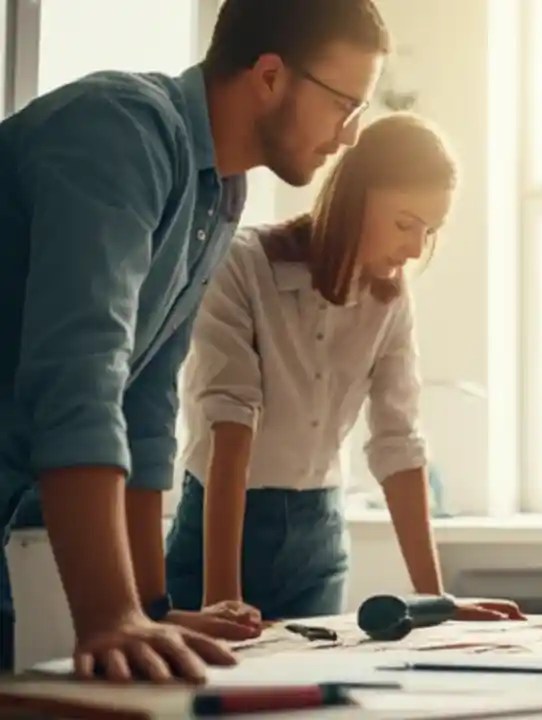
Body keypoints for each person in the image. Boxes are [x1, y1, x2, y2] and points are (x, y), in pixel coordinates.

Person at [0, 0, 389, 682]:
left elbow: (146, 403)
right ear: (269, 76)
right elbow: (80, 378)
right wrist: (109, 615)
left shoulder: (220, 192)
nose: (351, 136)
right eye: (344, 105)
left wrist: (150, 610)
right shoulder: (121, 131)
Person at [165, 113, 524, 624]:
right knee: (211, 671)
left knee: (316, 674)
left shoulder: (391, 299)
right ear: (355, 198)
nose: (415, 249)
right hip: (218, 527)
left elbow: (398, 442)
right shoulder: (240, 263)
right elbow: (231, 422)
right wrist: (220, 595)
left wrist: (436, 602)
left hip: (319, 534)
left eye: (429, 231)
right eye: (405, 224)